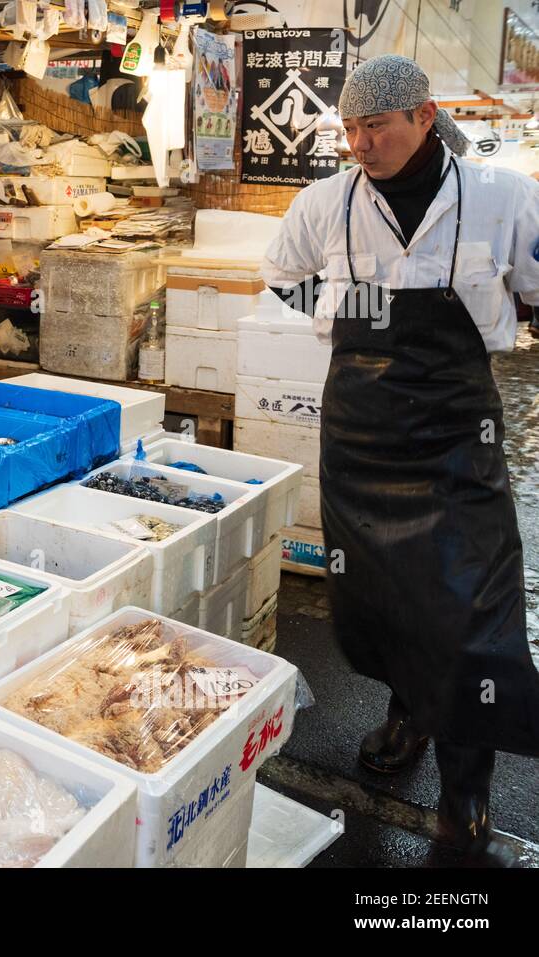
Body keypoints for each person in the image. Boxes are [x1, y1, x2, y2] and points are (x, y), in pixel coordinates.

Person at [263, 54, 539, 865]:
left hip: (459, 432)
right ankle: (409, 711)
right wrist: (362, 313)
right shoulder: (324, 203)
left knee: (472, 609)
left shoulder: (502, 197)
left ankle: (466, 784)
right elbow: (280, 275)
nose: (359, 143)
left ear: (423, 115)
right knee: (382, 598)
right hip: (362, 430)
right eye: (347, 128)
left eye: (374, 125)